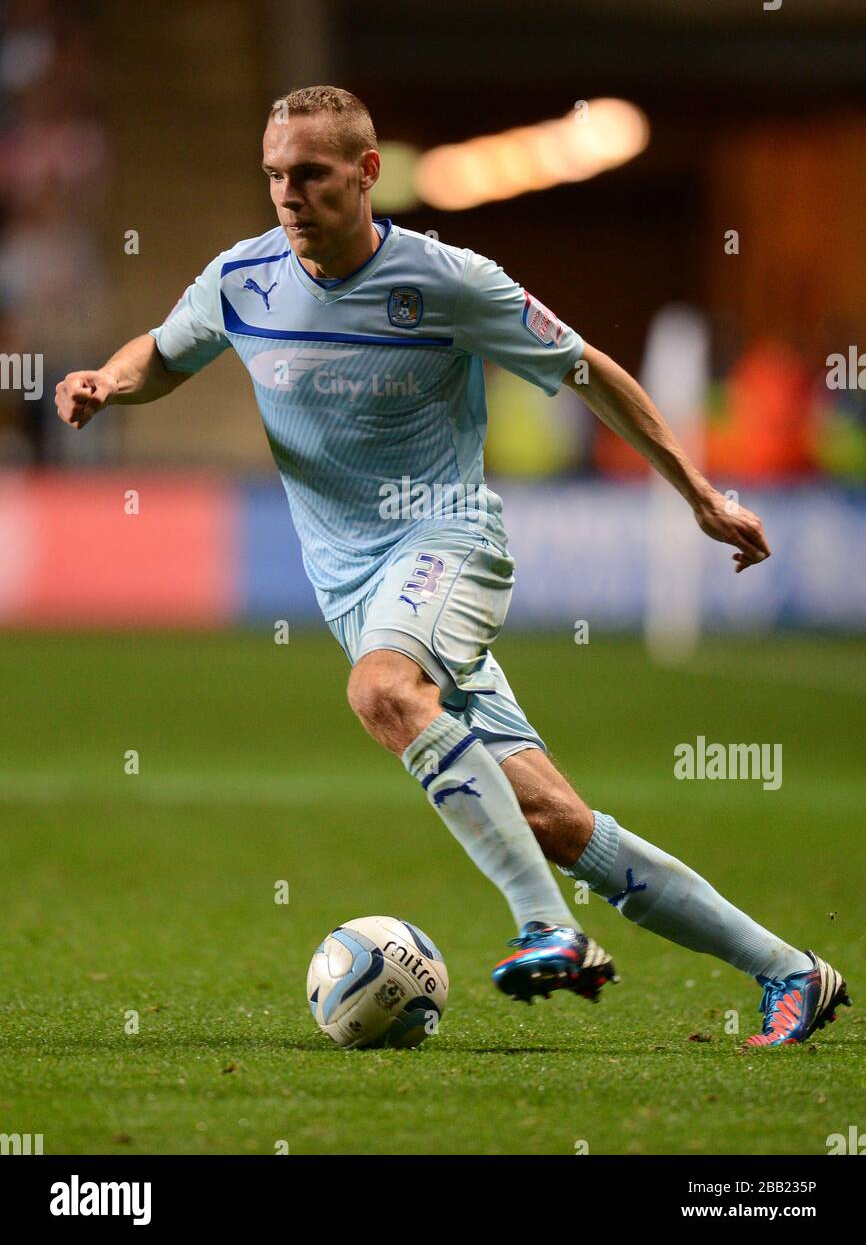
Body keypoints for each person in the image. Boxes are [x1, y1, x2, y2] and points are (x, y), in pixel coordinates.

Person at [55, 86, 849, 1049]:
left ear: (366, 171)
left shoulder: (449, 281)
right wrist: (107, 378)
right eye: (274, 176)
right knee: (559, 820)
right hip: (357, 591)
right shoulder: (243, 279)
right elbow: (164, 355)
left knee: (383, 692)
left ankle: (548, 928)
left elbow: (588, 369)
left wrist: (700, 495)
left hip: (447, 546)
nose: (288, 195)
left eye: (309, 173)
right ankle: (791, 972)